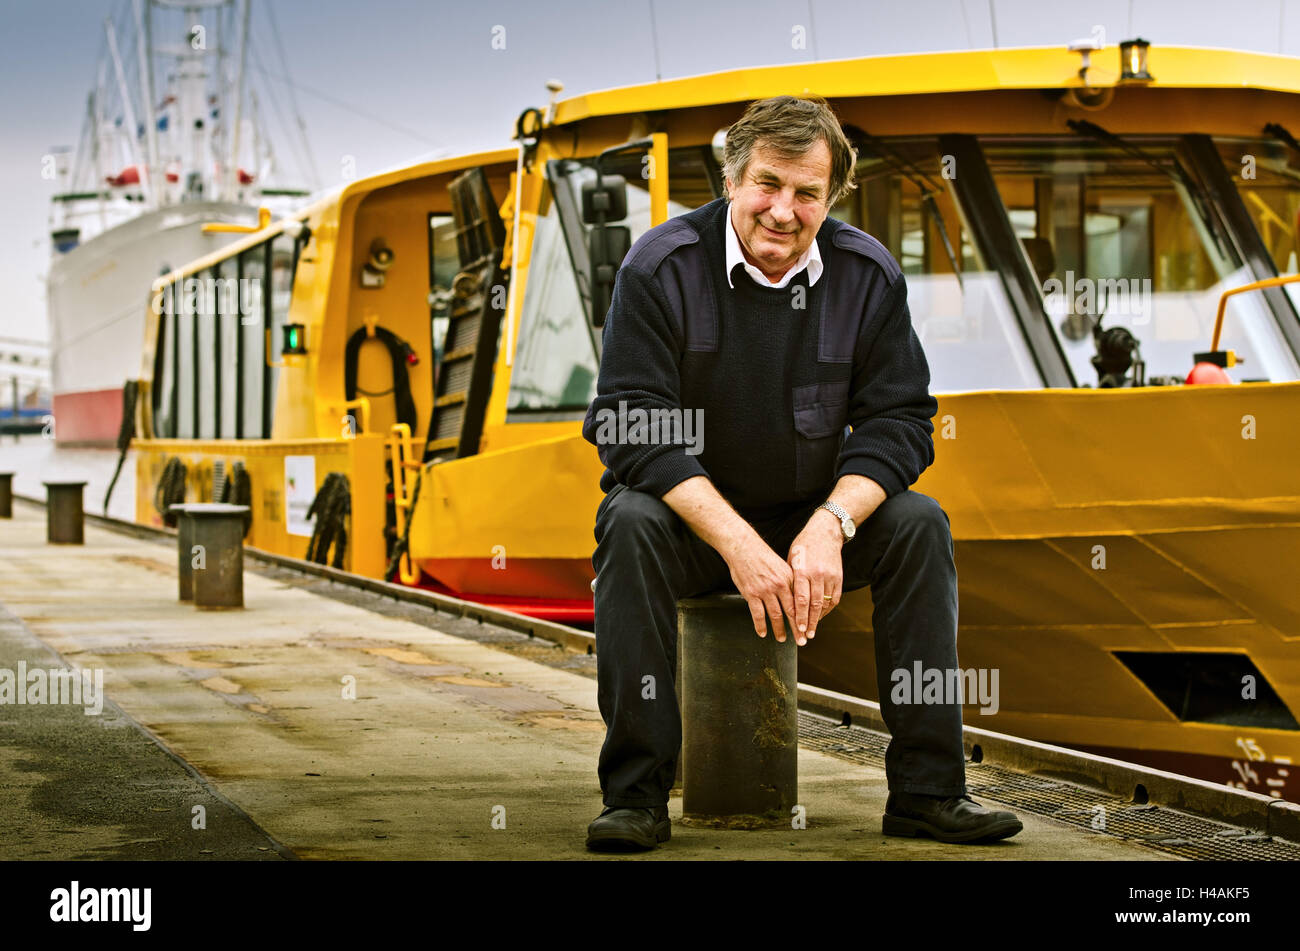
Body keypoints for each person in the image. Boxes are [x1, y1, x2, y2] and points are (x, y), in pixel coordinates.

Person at [580, 95, 1022, 852]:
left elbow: (900, 419)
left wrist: (832, 523)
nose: (783, 210)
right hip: (691, 525)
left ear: (831, 197)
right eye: (767, 184)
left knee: (919, 523)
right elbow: (632, 427)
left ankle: (928, 789)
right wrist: (739, 548)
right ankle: (636, 795)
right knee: (627, 520)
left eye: (806, 192)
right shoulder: (659, 267)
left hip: (809, 519)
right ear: (731, 179)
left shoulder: (867, 275)